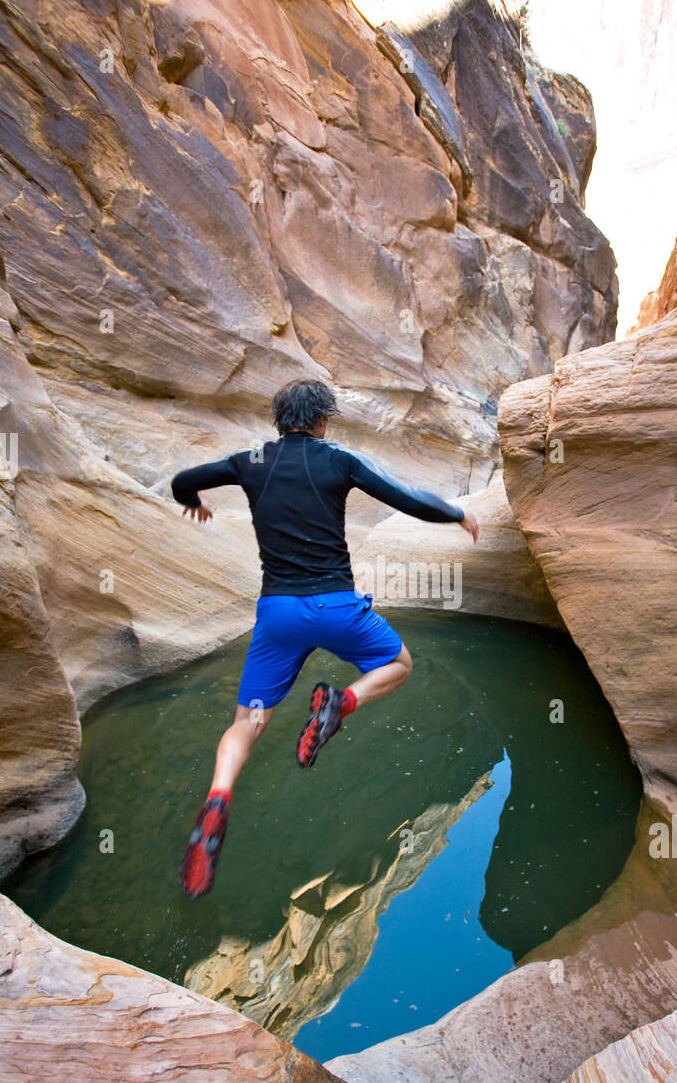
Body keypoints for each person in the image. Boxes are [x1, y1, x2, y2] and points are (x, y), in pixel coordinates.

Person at [170, 378, 479, 897]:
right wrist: (456, 512)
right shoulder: (339, 458)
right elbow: (406, 499)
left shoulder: (250, 459)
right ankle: (342, 702)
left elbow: (183, 480)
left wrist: (195, 502)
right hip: (336, 606)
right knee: (400, 663)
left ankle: (219, 796)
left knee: (248, 721)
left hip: (278, 614)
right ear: (322, 419)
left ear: (277, 417)